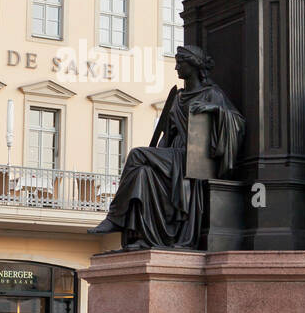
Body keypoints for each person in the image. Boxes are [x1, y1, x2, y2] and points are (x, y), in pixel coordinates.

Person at [89, 44, 244, 250]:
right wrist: (156, 156)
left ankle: (114, 217)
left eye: (180, 63)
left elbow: (238, 123)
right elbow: (167, 137)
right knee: (143, 172)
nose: (176, 68)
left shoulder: (211, 94)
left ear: (194, 65)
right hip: (174, 155)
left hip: (193, 156)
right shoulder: (177, 98)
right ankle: (145, 236)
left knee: (136, 154)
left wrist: (215, 110)